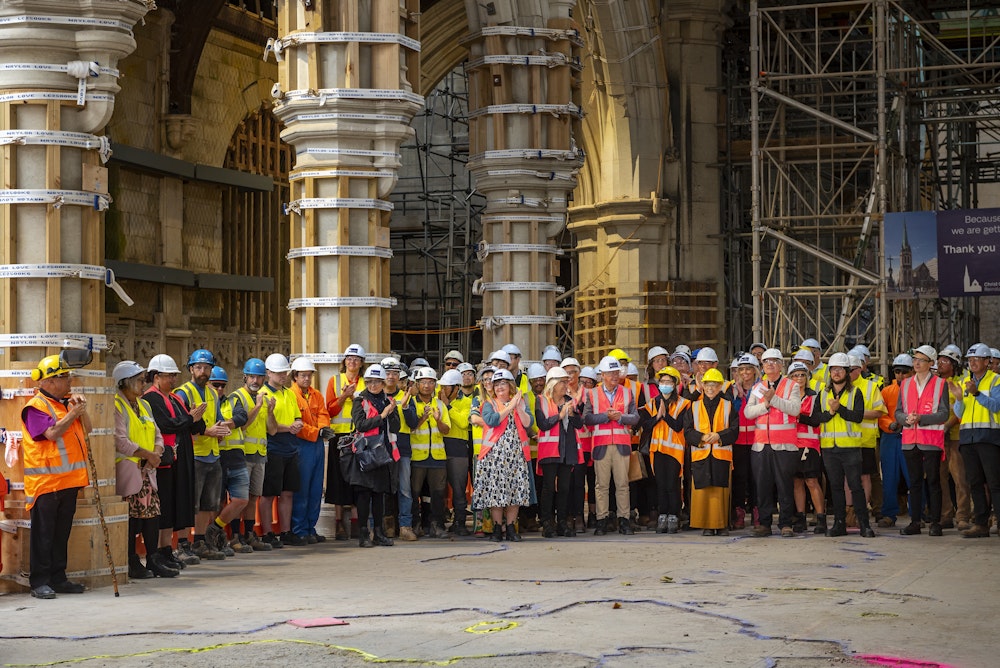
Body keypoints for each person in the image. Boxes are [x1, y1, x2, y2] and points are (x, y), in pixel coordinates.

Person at [21, 354, 92, 598]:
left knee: (61, 535)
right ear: (49, 382)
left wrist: (80, 410)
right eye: (64, 376)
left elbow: (88, 429)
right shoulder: (35, 407)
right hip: (46, 484)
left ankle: (58, 578)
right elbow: (50, 434)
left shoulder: (65, 403)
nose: (70, 380)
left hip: (68, 482)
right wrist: (73, 413)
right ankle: (39, 581)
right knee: (44, 536)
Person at [113, 361, 178, 579]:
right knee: (132, 519)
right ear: (125, 382)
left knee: (152, 516)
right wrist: (148, 455)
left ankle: (152, 559)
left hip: (148, 470)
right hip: (129, 469)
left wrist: (157, 452)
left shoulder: (143, 405)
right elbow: (120, 441)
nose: (144, 384)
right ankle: (132, 560)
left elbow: (157, 433)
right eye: (140, 380)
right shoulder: (116, 405)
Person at [143, 353, 200, 568]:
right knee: (163, 506)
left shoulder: (175, 398)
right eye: (170, 376)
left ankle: (167, 549)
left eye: (175, 376)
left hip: (181, 458)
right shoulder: (151, 398)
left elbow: (186, 423)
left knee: (175, 505)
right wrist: (189, 418)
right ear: (156, 377)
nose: (174, 380)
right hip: (165, 460)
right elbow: (167, 424)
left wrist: (196, 419)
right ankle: (157, 551)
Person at [175, 349, 231, 560]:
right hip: (194, 455)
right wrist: (208, 431)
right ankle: (183, 543)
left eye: (207, 368)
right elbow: (182, 425)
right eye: (199, 367)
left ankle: (199, 541)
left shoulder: (211, 394)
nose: (203, 371)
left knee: (209, 504)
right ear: (191, 369)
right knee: (190, 503)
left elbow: (216, 418)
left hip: (212, 453)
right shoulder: (183, 393)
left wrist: (221, 429)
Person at [744, 349, 802, 538]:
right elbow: (748, 412)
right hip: (761, 445)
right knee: (763, 485)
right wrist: (765, 405)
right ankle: (765, 523)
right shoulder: (757, 387)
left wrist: (773, 399)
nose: (770, 365)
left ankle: (786, 523)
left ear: (781, 365)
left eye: (774, 361)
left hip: (784, 445)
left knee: (784, 485)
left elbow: (794, 409)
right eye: (766, 362)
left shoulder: (790, 385)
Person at [472, 368, 533, 541]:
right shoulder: (489, 404)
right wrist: (510, 407)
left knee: (515, 493)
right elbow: (492, 420)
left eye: (503, 383)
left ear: (510, 386)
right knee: (496, 494)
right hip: (494, 458)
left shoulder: (520, 403)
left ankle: (511, 528)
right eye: (496, 384)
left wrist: (518, 406)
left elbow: (528, 423)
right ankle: (498, 528)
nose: (499, 387)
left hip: (515, 456)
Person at [895, 345, 950, 536]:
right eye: (915, 359)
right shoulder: (906, 384)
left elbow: (944, 413)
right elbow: (898, 412)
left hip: (931, 439)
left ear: (931, 363)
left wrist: (922, 419)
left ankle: (935, 522)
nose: (916, 363)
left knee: (933, 482)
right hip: (910, 439)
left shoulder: (940, 384)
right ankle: (915, 521)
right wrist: (905, 420)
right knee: (915, 482)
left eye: (921, 360)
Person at [817, 353, 873, 537]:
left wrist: (838, 408)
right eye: (833, 369)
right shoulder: (822, 394)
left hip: (850, 447)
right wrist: (831, 413)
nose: (836, 372)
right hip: (829, 448)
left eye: (840, 369)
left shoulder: (855, 392)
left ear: (847, 372)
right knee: (836, 487)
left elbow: (857, 417)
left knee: (855, 486)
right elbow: (818, 418)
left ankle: (864, 524)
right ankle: (839, 524)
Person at [583, 356, 639, 536]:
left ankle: (624, 520)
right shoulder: (592, 394)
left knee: (622, 485)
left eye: (616, 372)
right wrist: (607, 417)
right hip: (601, 446)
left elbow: (635, 417)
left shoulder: (627, 392)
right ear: (602, 375)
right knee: (601, 486)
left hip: (621, 445)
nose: (614, 376)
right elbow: (587, 418)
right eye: (610, 373)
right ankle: (602, 520)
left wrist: (620, 418)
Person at [948, 343, 1000, 538]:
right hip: (968, 439)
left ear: (987, 362)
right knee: (975, 483)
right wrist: (960, 399)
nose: (973, 363)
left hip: (988, 437)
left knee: (994, 483)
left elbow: (997, 406)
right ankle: (981, 523)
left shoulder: (996, 381)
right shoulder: (964, 383)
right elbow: (960, 413)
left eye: (976, 359)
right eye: (970, 360)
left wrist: (977, 393)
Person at [347, 364, 400, 547]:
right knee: (363, 494)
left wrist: (392, 413)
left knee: (379, 494)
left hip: (382, 452)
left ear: (383, 382)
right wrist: (383, 415)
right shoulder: (359, 400)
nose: (373, 385)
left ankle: (379, 532)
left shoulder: (387, 400)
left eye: (377, 382)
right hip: (365, 453)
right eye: (370, 382)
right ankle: (363, 534)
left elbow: (396, 428)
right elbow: (360, 424)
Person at [683, 368, 738, 536]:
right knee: (703, 490)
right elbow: (687, 430)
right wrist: (702, 437)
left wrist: (718, 436)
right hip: (701, 453)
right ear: (703, 386)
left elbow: (735, 429)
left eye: (715, 385)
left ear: (720, 386)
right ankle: (706, 525)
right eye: (708, 385)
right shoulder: (694, 406)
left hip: (721, 454)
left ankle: (721, 525)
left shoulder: (728, 406)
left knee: (720, 491)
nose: (711, 389)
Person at [258, 353, 303, 546]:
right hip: (273, 448)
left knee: (287, 492)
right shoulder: (263, 394)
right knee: (268, 493)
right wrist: (290, 427)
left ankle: (285, 531)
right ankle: (267, 532)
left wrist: (298, 424)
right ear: (268, 373)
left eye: (284, 372)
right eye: (278, 373)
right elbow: (270, 427)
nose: (282, 376)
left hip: (290, 448)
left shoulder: (289, 393)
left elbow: (297, 417)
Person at [227, 358, 271, 551]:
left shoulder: (264, 398)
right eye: (252, 376)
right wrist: (258, 407)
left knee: (253, 497)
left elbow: (273, 429)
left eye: (259, 377)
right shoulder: (236, 397)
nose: (255, 381)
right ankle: (235, 536)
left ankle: (249, 534)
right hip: (242, 455)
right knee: (240, 497)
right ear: (245, 376)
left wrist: (269, 411)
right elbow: (243, 424)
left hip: (259, 454)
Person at [534, 366, 584, 537]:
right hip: (550, 451)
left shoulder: (571, 400)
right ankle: (547, 522)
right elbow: (543, 424)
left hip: (567, 451)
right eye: (562, 381)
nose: (565, 384)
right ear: (553, 384)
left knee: (564, 488)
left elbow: (579, 425)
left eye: (566, 381)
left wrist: (572, 415)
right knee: (548, 488)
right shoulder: (541, 400)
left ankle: (562, 522)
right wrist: (560, 415)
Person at [209, 366, 252, 556]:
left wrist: (224, 424)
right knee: (215, 503)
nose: (219, 389)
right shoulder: (205, 404)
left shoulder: (232, 400)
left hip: (236, 458)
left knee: (241, 499)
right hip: (215, 458)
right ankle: (216, 542)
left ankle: (215, 528)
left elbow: (241, 416)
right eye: (215, 385)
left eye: (222, 386)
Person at [641, 367, 689, 533]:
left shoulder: (683, 403)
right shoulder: (652, 403)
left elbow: (678, 426)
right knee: (660, 484)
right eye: (662, 382)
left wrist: (665, 415)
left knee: (672, 484)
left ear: (675, 384)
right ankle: (663, 515)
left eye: (669, 382)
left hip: (675, 451)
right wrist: (657, 417)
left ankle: (674, 516)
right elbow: (645, 425)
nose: (665, 384)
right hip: (657, 450)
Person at [404, 367, 451, 538]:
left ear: (435, 385)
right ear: (417, 384)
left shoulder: (439, 405)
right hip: (417, 456)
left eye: (430, 382)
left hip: (437, 457)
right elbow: (410, 426)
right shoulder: (411, 403)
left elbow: (446, 430)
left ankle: (437, 525)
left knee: (438, 494)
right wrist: (423, 417)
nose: (426, 386)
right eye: (423, 382)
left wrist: (438, 420)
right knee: (414, 493)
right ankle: (416, 524)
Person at [326, 343, 366, 541]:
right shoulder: (334, 381)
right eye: (349, 359)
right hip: (339, 436)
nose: (352, 362)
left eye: (356, 359)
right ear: (344, 362)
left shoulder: (366, 382)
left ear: (361, 363)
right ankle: (339, 523)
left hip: (359, 436)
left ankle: (357, 522)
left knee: (358, 480)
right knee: (338, 480)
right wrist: (344, 396)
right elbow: (330, 410)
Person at [290, 356, 331, 543]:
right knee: (302, 489)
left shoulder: (316, 395)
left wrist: (322, 428)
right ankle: (299, 529)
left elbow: (323, 414)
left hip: (316, 444)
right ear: (295, 376)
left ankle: (310, 527)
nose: (307, 379)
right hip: (302, 445)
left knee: (315, 489)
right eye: (303, 375)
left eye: (309, 375)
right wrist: (317, 431)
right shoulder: (291, 395)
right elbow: (297, 425)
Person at [788, 361, 827, 534]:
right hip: (791, 443)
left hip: (809, 444)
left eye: (802, 375)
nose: (799, 378)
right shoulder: (787, 396)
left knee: (811, 481)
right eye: (795, 375)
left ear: (807, 377)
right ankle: (801, 517)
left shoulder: (814, 396)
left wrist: (798, 417)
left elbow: (816, 419)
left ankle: (821, 518)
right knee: (797, 482)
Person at [936, 347, 972, 530]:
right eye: (939, 360)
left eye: (945, 360)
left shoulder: (963, 382)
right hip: (937, 438)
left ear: (954, 364)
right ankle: (945, 515)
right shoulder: (935, 384)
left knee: (960, 479)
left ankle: (963, 516)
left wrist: (947, 426)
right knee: (940, 479)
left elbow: (962, 409)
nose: (940, 363)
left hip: (956, 437)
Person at [877, 354, 913, 529]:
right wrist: (889, 424)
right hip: (891, 436)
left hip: (911, 435)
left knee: (913, 477)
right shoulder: (886, 392)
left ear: (911, 372)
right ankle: (889, 513)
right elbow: (881, 414)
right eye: (897, 371)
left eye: (904, 372)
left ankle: (917, 515)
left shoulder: (916, 390)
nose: (900, 375)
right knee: (889, 478)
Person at [384, 358, 418, 541]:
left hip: (402, 446)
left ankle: (405, 526)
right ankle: (386, 525)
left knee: (405, 488)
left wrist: (404, 406)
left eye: (395, 373)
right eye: (388, 373)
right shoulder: (376, 395)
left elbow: (413, 423)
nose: (391, 377)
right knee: (383, 487)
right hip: (381, 447)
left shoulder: (407, 396)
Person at [438, 368, 472, 535]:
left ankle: (460, 522)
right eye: (442, 386)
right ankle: (438, 521)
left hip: (458, 448)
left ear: (455, 388)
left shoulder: (467, 402)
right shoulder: (437, 401)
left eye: (446, 386)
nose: (442, 390)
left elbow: (464, 422)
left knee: (458, 488)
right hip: (439, 447)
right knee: (438, 488)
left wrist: (448, 406)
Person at [731, 353, 759, 529]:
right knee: (739, 479)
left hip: (757, 440)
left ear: (755, 371)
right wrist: (738, 396)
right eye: (742, 369)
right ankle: (739, 513)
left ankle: (757, 513)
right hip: (739, 441)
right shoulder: (731, 389)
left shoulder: (761, 388)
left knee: (757, 479)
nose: (745, 372)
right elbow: (731, 413)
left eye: (749, 368)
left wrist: (747, 397)